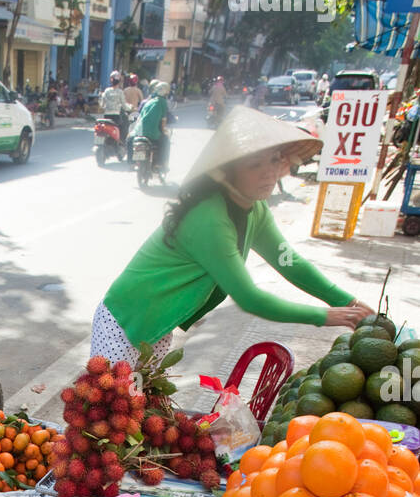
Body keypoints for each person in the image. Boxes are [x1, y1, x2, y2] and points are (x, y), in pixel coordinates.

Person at [90, 106, 375, 367]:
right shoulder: (208, 219)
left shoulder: (254, 209)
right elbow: (250, 297)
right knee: (107, 411)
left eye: (275, 160)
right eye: (254, 164)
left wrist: (347, 301)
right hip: (124, 323)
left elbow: (289, 261)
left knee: (140, 412)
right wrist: (326, 317)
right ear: (226, 172)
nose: (269, 173)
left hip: (158, 325)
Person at [131, 81, 171, 170]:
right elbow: (163, 121)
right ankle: (160, 164)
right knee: (166, 141)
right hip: (152, 134)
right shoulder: (162, 102)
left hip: (140, 132)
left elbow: (139, 116)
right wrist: (164, 131)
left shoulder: (148, 102)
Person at [100, 70, 130, 142]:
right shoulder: (120, 92)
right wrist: (130, 108)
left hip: (106, 116)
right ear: (119, 81)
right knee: (123, 127)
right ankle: (121, 142)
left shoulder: (106, 91)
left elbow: (102, 105)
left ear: (111, 80)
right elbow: (124, 106)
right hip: (116, 116)